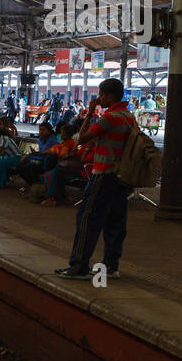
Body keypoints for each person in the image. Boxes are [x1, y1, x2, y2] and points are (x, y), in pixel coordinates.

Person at [55, 79, 137, 280]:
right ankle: (110, 266)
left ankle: (79, 266)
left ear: (109, 96)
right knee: (115, 221)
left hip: (104, 174)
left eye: (100, 94)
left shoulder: (109, 117)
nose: (98, 98)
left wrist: (89, 113)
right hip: (122, 177)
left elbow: (80, 138)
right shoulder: (129, 117)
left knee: (87, 218)